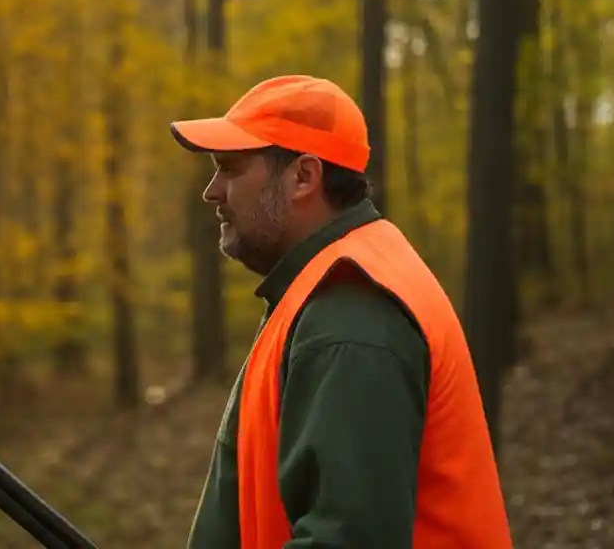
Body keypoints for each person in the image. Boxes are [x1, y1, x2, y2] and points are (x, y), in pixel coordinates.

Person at [170, 75, 512, 548]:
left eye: (230, 169)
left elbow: (347, 539)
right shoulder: (317, 292)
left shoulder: (350, 315)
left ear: (304, 177)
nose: (212, 191)